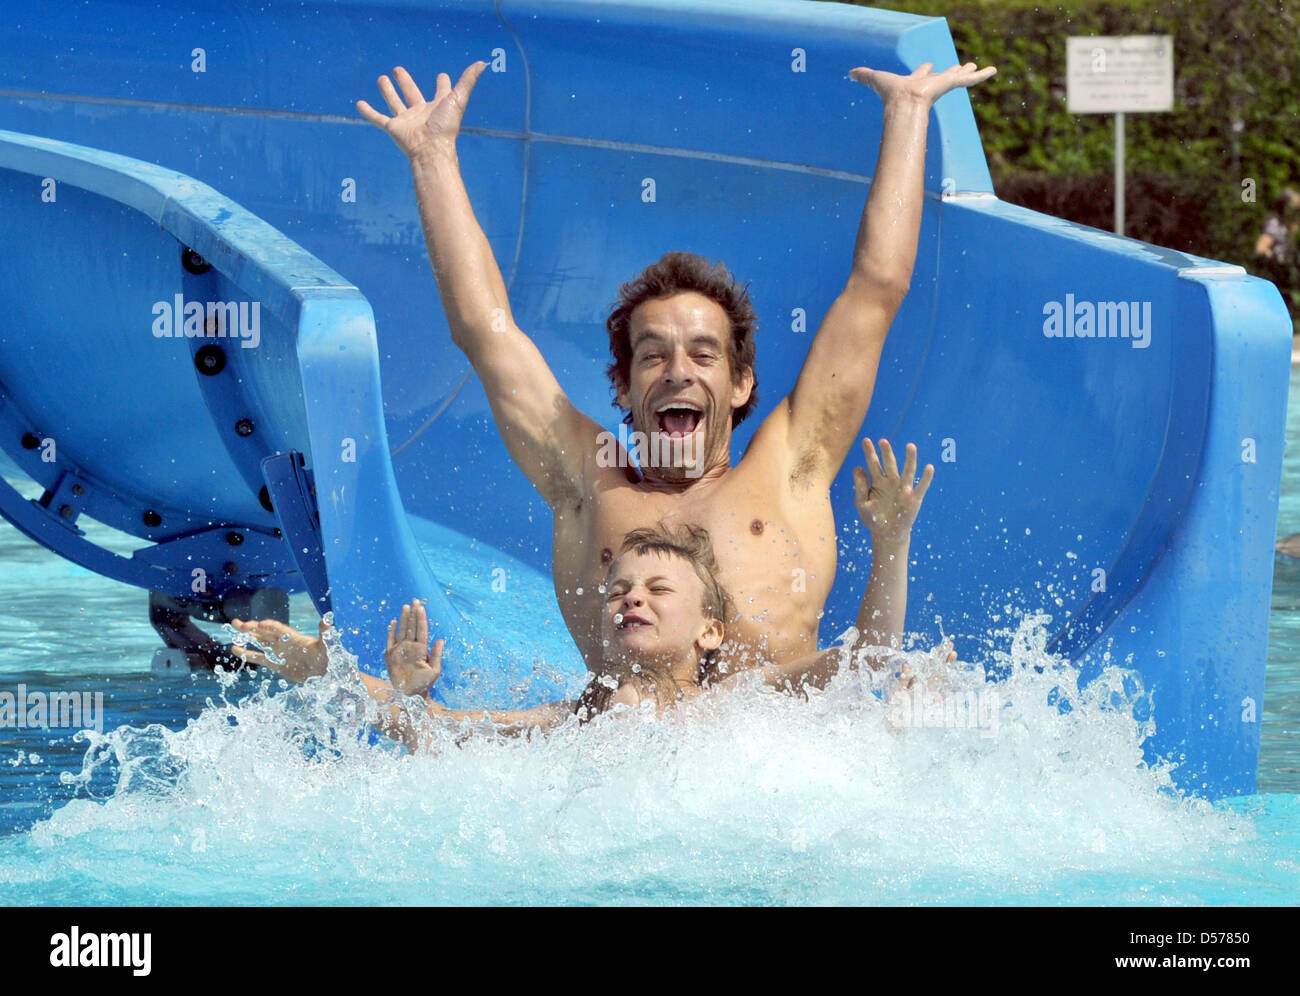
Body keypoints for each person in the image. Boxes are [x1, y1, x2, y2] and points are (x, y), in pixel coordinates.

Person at [353, 58, 993, 679]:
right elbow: (486, 333)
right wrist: (432, 157)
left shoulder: (791, 469)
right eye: (652, 354)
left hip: (787, 764)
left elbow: (875, 292)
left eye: (703, 354)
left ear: (741, 384)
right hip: (630, 767)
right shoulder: (588, 484)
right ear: (624, 388)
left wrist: (908, 111)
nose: (676, 371)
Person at [232, 438, 943, 747]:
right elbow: (444, 738)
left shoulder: (745, 703)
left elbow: (872, 656)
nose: (629, 598)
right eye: (618, 590)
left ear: (710, 632)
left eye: (658, 588)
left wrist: (892, 542)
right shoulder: (578, 719)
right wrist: (343, 676)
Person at [1255, 188, 1299, 263]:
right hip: (1273, 270)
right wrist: (1277, 258)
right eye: (1295, 208)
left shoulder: (1286, 225)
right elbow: (1260, 249)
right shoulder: (1274, 224)